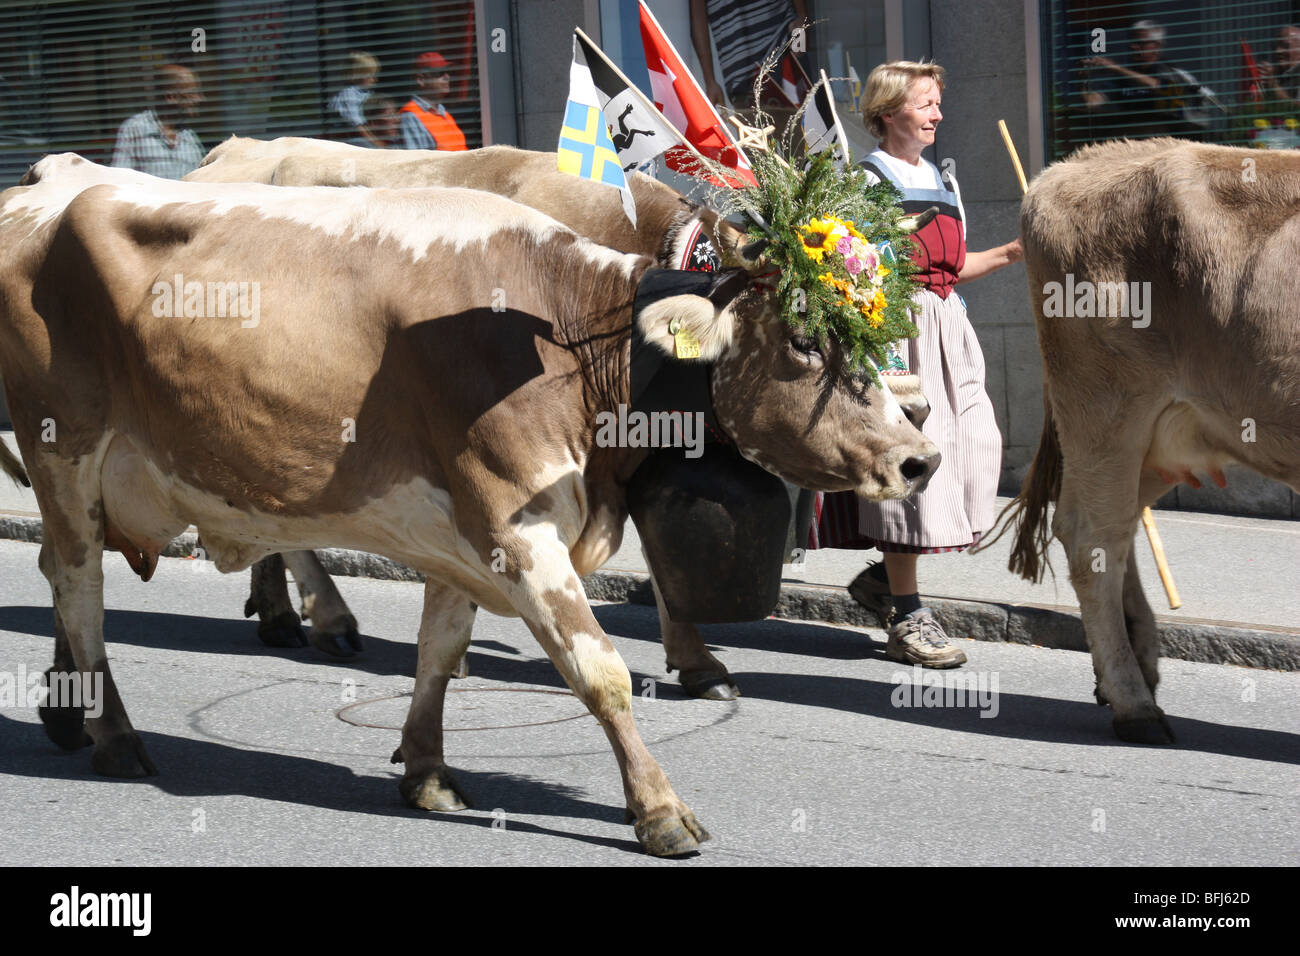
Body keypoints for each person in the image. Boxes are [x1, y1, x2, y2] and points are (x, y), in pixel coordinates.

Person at [841, 60, 1022, 668]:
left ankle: (883, 581)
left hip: (951, 326)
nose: (937, 114)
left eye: (938, 104)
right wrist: (880, 352)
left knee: (976, 444)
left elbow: (953, 264)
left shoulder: (943, 178)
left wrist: (1013, 252)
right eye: (925, 104)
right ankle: (908, 614)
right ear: (889, 112)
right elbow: (853, 272)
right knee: (914, 465)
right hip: (901, 332)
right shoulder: (869, 181)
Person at [689, 0, 808, 141]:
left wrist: (802, 22)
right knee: (758, 152)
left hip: (783, 46)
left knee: (802, 143)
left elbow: (801, 20)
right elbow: (698, 17)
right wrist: (710, 81)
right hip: (741, 72)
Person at [1080, 19, 1219, 140]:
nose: (1133, 46)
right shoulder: (1122, 77)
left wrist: (1116, 68)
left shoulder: (1172, 72)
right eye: (1132, 42)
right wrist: (1083, 80)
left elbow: (1162, 88)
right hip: (1132, 142)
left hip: (1169, 144)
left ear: (1156, 46)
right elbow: (1092, 103)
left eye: (1140, 43)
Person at [111, 64, 205, 179]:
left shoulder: (189, 136)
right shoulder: (135, 129)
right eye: (192, 93)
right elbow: (120, 179)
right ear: (171, 97)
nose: (200, 99)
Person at [399, 51, 466, 151]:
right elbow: (415, 163)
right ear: (421, 80)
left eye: (448, 72)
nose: (447, 77)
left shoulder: (443, 113)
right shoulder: (410, 116)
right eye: (439, 73)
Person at [327, 51, 381, 145]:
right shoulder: (349, 95)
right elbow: (357, 125)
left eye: (375, 75)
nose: (374, 79)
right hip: (348, 139)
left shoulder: (365, 93)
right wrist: (376, 143)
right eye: (370, 76)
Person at [1259, 24, 1300, 106]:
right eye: (1276, 46)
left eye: (1286, 46)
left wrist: (1273, 85)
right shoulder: (1279, 74)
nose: (1278, 51)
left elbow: (1297, 109)